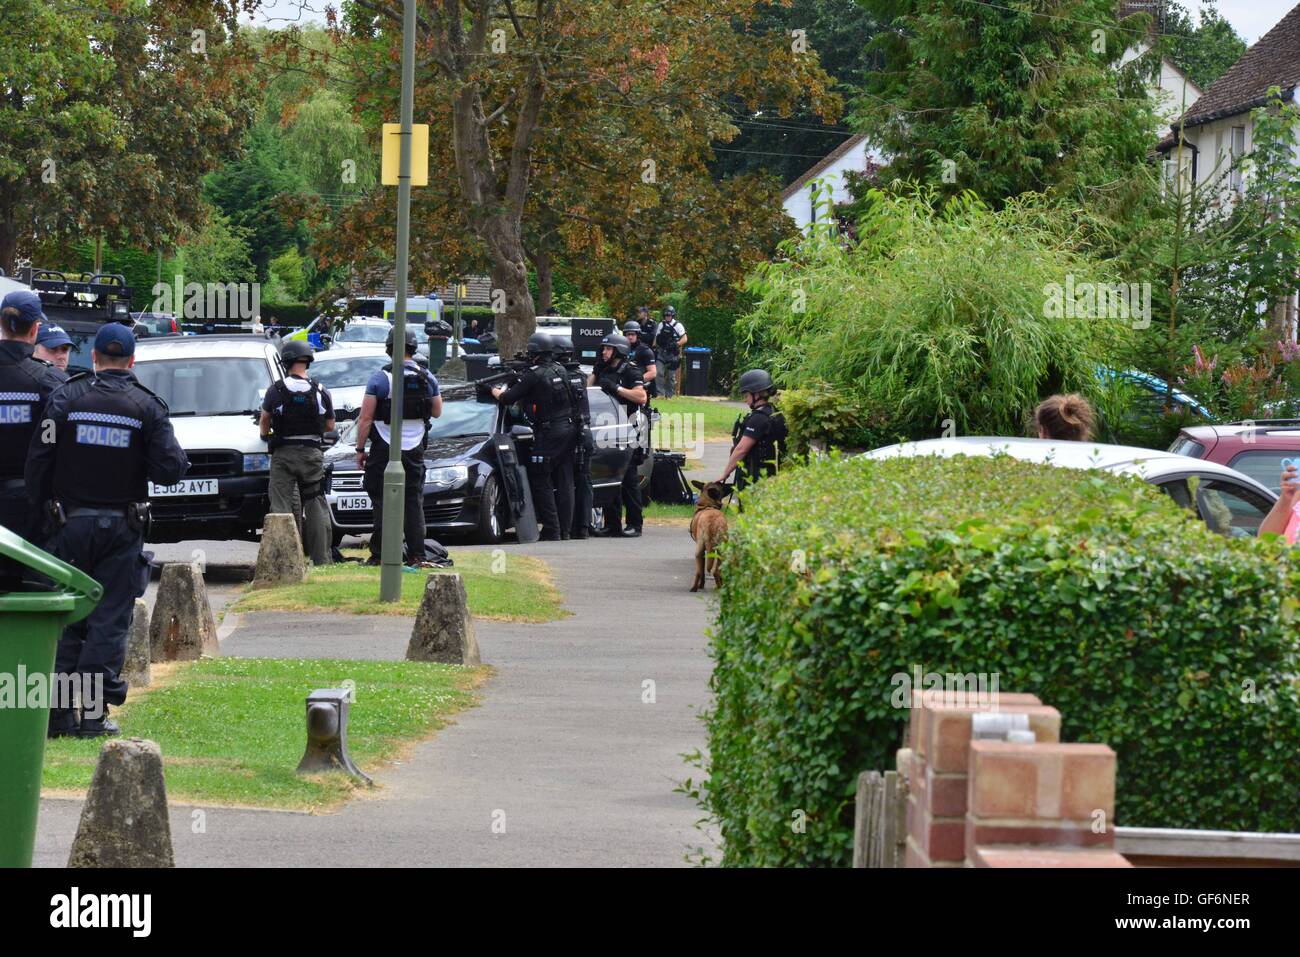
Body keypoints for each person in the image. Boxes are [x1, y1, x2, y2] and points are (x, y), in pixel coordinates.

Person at [25, 323, 188, 738]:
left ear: (94, 357)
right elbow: (170, 469)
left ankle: (59, 715)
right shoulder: (147, 407)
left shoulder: (66, 398)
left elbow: (39, 462)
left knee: (66, 618)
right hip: (121, 527)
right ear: (132, 361)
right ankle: (94, 717)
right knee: (108, 620)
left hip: (68, 526)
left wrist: (45, 513)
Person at [354, 326, 443, 566]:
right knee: (413, 501)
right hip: (415, 448)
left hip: (385, 447)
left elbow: (365, 418)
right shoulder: (427, 377)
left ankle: (381, 554)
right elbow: (437, 411)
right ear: (414, 348)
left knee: (382, 500)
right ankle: (417, 555)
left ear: (389, 348)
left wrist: (360, 450)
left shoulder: (381, 378)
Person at [0, 291, 67, 587]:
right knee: (35, 594)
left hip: (28, 500)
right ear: (36, 329)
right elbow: (55, 437)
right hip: (31, 508)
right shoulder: (48, 381)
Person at [492, 332, 581, 540]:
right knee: (565, 479)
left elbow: (507, 398)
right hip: (569, 430)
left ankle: (552, 529)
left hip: (549, 433)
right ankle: (565, 531)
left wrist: (494, 391)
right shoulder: (560, 369)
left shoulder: (534, 375)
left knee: (541, 478)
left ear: (534, 353)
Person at [260, 340, 335, 566]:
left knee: (281, 507)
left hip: (284, 454)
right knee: (315, 504)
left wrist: (267, 435)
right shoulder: (320, 390)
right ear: (307, 362)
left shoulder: (277, 390)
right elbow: (330, 425)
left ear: (286, 362)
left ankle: (285, 561)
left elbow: (265, 420)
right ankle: (322, 559)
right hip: (312, 454)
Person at [589, 332, 648, 537]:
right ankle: (611, 524)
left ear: (619, 351)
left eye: (608, 348)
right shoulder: (601, 368)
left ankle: (634, 524)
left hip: (628, 428)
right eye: (603, 348)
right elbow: (589, 388)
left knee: (629, 479)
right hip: (607, 428)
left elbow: (641, 396)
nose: (604, 352)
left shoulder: (631, 371)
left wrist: (617, 388)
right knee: (610, 474)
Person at [720, 369, 787, 491]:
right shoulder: (775, 413)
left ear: (757, 394)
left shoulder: (759, 418)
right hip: (772, 475)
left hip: (755, 478)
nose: (745, 400)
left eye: (746, 395)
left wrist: (725, 473)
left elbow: (741, 449)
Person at [555, 336, 595, 539]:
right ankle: (584, 527)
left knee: (566, 480)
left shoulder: (559, 376)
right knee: (584, 481)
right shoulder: (580, 375)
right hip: (585, 433)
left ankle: (566, 529)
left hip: (568, 435)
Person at [651, 305, 687, 399]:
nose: (667, 316)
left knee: (671, 376)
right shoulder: (661, 325)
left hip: (673, 354)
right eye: (666, 315)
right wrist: (654, 347)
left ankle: (669, 395)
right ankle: (660, 394)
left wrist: (677, 344)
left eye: (669, 315)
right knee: (658, 372)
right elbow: (656, 337)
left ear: (672, 315)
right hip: (661, 352)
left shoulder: (678, 325)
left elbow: (685, 338)